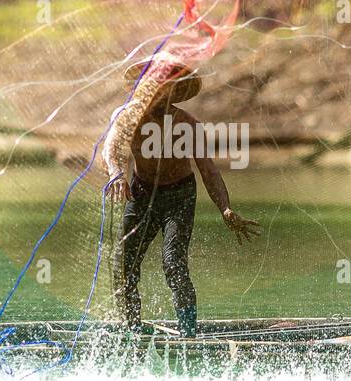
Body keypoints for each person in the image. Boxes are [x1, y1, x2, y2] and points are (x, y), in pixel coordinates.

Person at [104, 60, 260, 337]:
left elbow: (208, 170)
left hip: (179, 196)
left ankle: (189, 333)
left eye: (168, 90)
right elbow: (112, 145)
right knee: (123, 264)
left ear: (175, 93)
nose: (160, 95)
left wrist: (225, 208)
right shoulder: (128, 116)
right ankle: (133, 329)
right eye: (154, 88)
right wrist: (116, 173)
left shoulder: (188, 125)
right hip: (141, 194)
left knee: (173, 261)